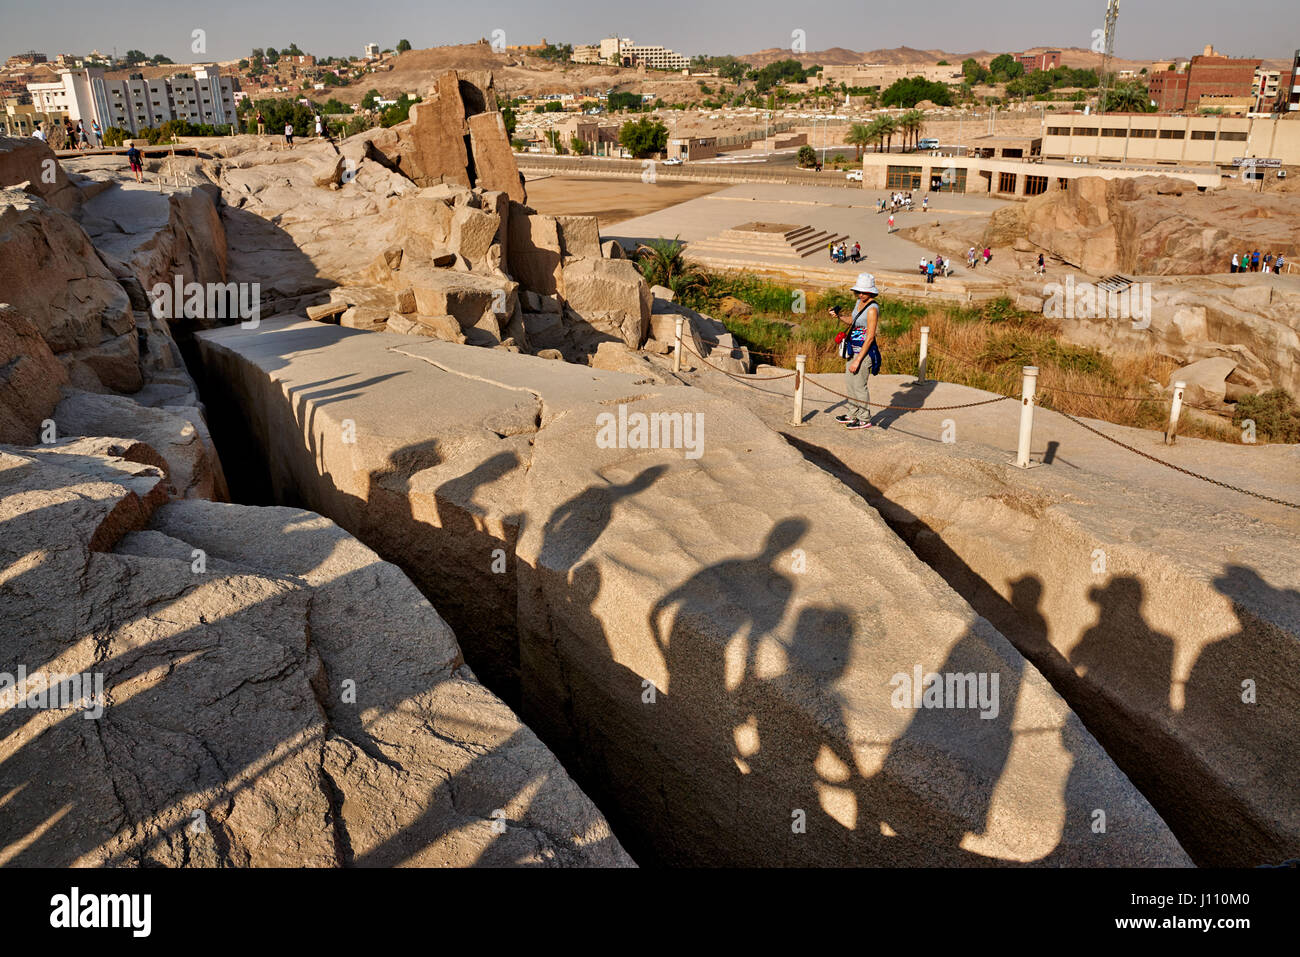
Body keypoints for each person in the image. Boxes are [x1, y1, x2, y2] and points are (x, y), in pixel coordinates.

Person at [830, 272, 881, 431]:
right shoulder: (859, 302)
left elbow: (870, 337)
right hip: (852, 348)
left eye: (864, 291)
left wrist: (859, 360)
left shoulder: (872, 308)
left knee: (860, 385)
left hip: (864, 353)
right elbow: (853, 320)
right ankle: (852, 414)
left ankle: (864, 418)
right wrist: (838, 316)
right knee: (850, 383)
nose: (860, 294)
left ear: (871, 291)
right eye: (858, 291)